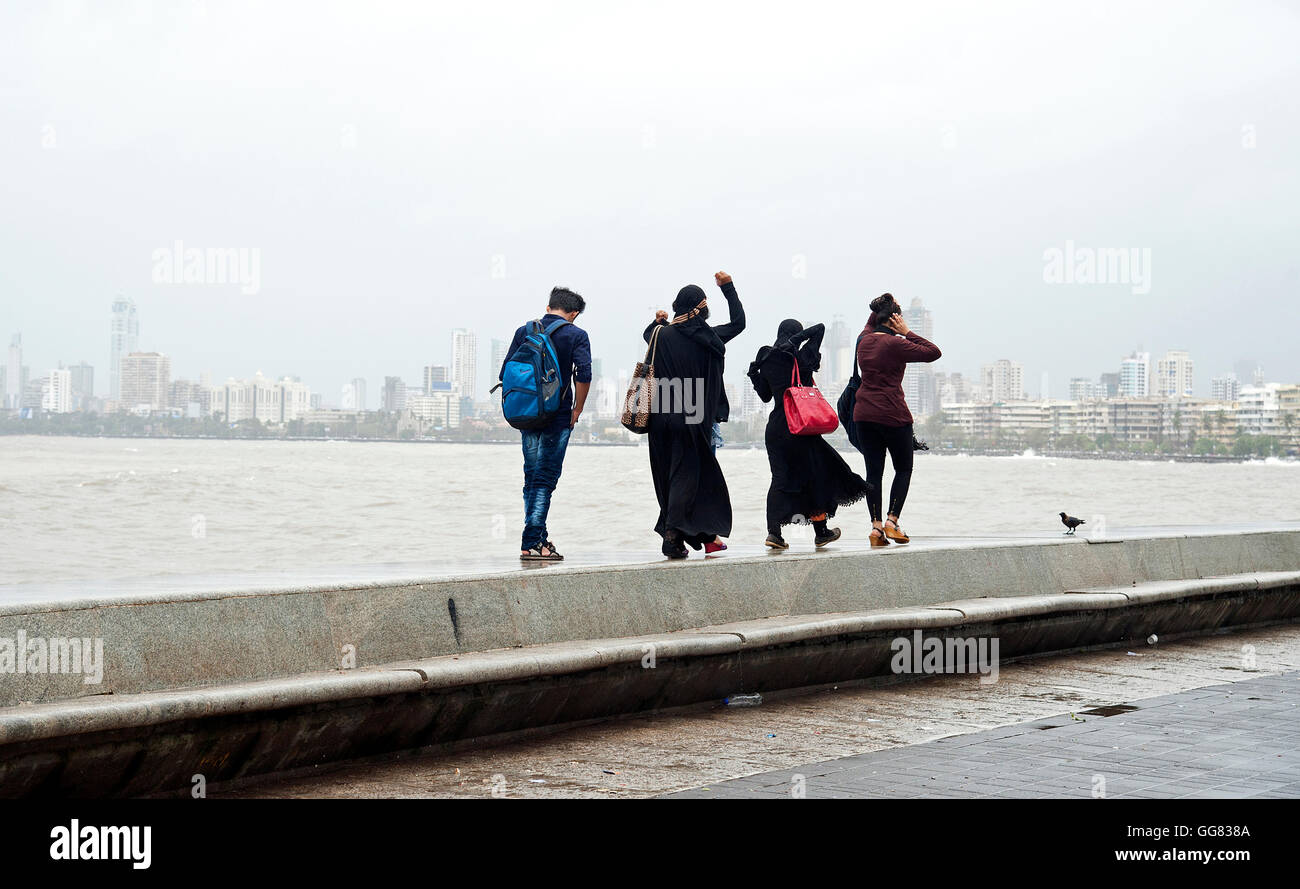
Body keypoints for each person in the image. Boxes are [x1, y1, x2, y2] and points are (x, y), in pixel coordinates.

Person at [748, 319, 870, 550]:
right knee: (818, 476)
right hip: (801, 427)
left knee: (779, 480)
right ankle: (821, 531)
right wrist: (796, 342)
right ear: (795, 333)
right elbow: (821, 328)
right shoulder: (799, 357)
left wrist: (755, 375)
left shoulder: (768, 358)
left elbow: (765, 396)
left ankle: (774, 533)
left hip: (775, 430)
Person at [643, 272, 740, 558]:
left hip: (660, 414)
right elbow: (739, 324)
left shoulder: (660, 334)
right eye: (705, 302)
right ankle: (672, 537)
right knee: (688, 475)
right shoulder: (706, 337)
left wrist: (657, 321)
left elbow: (648, 334)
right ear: (698, 307)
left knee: (668, 475)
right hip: (692, 410)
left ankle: (690, 534)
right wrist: (729, 288)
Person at [500, 287, 592, 561]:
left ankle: (539, 539)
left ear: (550, 306)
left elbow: (506, 372)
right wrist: (578, 409)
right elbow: (584, 375)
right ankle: (531, 543)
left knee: (531, 478)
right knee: (545, 479)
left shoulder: (524, 331)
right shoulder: (576, 334)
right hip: (558, 415)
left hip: (528, 414)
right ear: (573, 313)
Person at [853, 293, 941, 546]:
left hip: (864, 415)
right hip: (892, 415)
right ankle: (892, 521)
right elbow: (933, 352)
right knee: (903, 469)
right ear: (894, 321)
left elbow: (872, 322)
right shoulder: (897, 344)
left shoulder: (863, 341)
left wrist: (885, 307)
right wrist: (907, 330)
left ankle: (876, 528)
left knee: (873, 473)